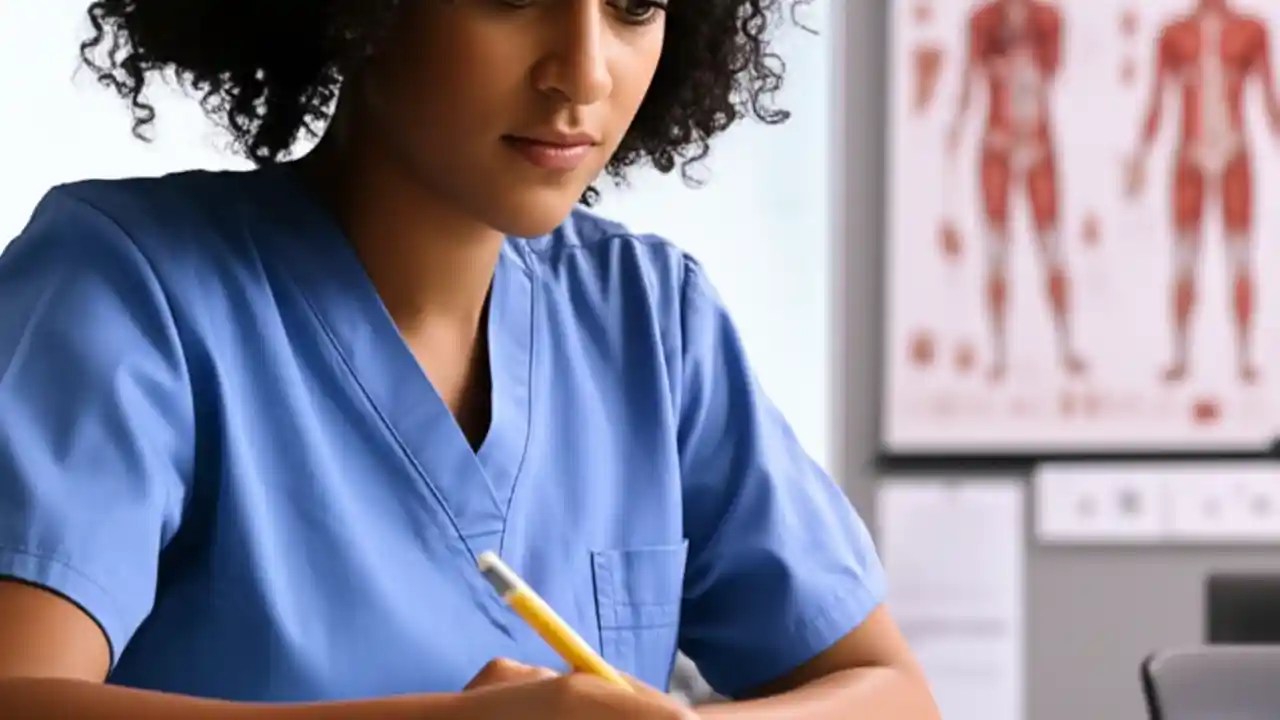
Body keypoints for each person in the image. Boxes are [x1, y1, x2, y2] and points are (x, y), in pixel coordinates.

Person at [0, 1, 940, 719]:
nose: (583, 73)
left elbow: (888, 691)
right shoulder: (126, 289)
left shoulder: (651, 323)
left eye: (634, 5)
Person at [1128, 0, 1280, 384]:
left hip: (1233, 154)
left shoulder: (1252, 30)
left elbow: (1269, 102)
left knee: (1240, 257)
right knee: (1184, 259)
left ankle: (1244, 356)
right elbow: (1157, 101)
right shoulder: (1173, 33)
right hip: (1190, 157)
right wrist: (1140, 157)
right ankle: (1180, 356)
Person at [948, 0, 1085, 381]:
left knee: (1052, 249)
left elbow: (1050, 76)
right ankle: (998, 355)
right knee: (996, 254)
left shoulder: (1049, 19)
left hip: (1038, 146)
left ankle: (1065, 345)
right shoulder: (981, 21)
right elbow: (969, 83)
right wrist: (954, 133)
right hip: (997, 146)